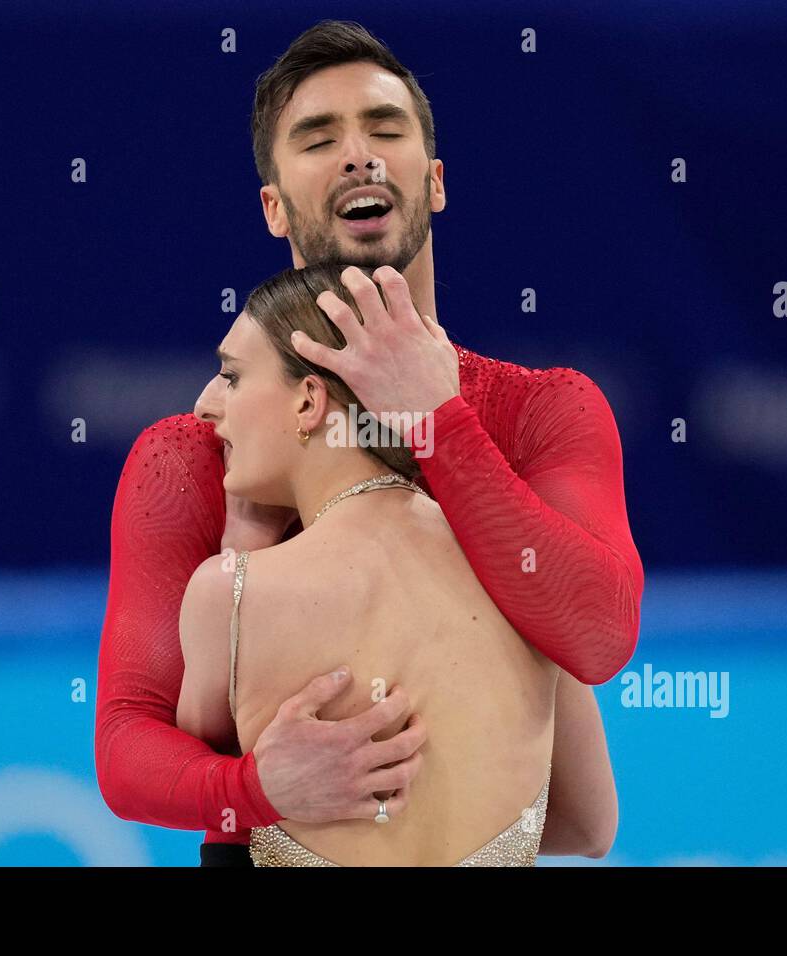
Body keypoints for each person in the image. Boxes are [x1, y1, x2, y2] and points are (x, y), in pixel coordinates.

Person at [94, 20, 639, 865]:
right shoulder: (203, 451)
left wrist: (437, 422)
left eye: (386, 130)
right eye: (319, 138)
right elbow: (128, 753)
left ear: (437, 181)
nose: (360, 155)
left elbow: (600, 637)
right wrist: (258, 792)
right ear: (274, 204)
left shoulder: (540, 413)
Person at [179, 263, 570, 866]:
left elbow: (198, 800)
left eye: (232, 376)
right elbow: (593, 824)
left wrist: (242, 548)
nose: (206, 405)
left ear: (309, 400)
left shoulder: (230, 593)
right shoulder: (523, 576)